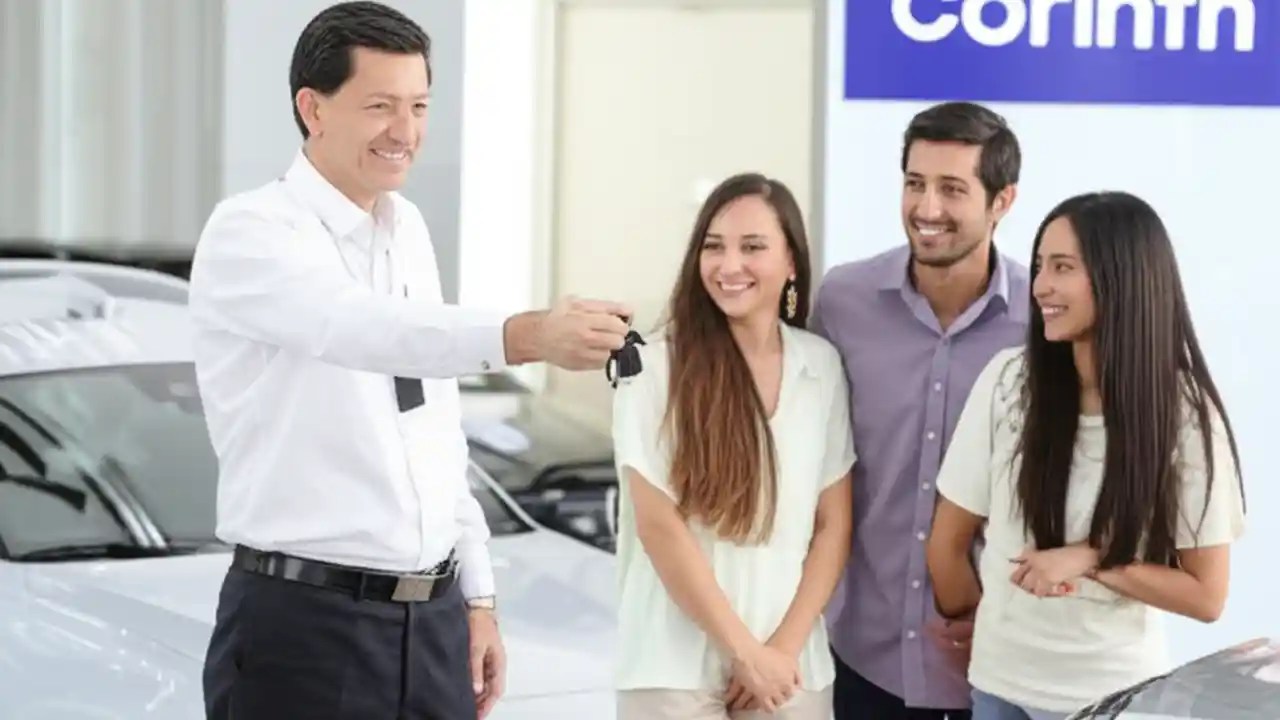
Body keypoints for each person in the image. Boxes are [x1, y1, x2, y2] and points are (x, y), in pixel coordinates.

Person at [190, 3, 630, 719]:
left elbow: (433, 429)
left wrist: (476, 596)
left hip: (430, 626)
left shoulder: (408, 229)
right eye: (380, 107)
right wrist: (526, 334)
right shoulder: (252, 230)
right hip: (303, 625)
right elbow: (366, 329)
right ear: (313, 108)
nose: (406, 132)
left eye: (419, 106)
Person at [926, 191, 1247, 719]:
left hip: (1111, 697)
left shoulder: (1186, 417)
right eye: (1038, 266)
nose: (1040, 286)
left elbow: (1205, 597)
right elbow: (946, 543)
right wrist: (985, 627)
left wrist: (1094, 560)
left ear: (1119, 279)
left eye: (1062, 267)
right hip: (997, 689)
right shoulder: (1010, 382)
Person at [810, 100, 1030, 720]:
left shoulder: (1042, 325)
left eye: (952, 189)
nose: (927, 209)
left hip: (995, 671)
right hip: (858, 660)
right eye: (915, 183)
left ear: (1002, 201)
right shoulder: (843, 300)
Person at [610, 173, 856, 719]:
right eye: (713, 246)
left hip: (791, 671)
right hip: (670, 669)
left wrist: (779, 653)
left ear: (791, 262)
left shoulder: (821, 367)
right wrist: (742, 651)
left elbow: (832, 525)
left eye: (753, 247)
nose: (728, 266)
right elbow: (658, 525)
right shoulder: (651, 368)